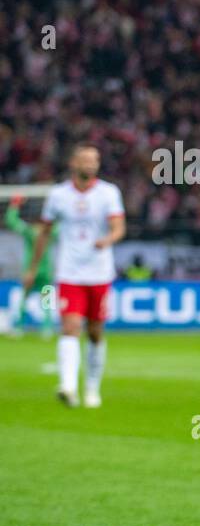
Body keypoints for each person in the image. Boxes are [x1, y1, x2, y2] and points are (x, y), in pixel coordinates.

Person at [26, 144, 126, 407]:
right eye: (85, 159)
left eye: (94, 160)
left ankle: (92, 388)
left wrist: (108, 239)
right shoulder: (58, 195)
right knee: (70, 327)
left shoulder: (108, 193)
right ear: (73, 163)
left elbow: (118, 227)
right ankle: (68, 387)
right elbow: (45, 231)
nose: (90, 164)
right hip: (69, 272)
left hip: (100, 272)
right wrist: (33, 267)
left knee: (94, 332)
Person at [5, 195, 58, 338]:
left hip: (30, 270)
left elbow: (11, 221)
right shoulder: (49, 232)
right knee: (46, 299)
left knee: (24, 297)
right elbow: (63, 226)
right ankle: (47, 328)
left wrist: (14, 205)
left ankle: (20, 327)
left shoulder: (29, 230)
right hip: (46, 270)